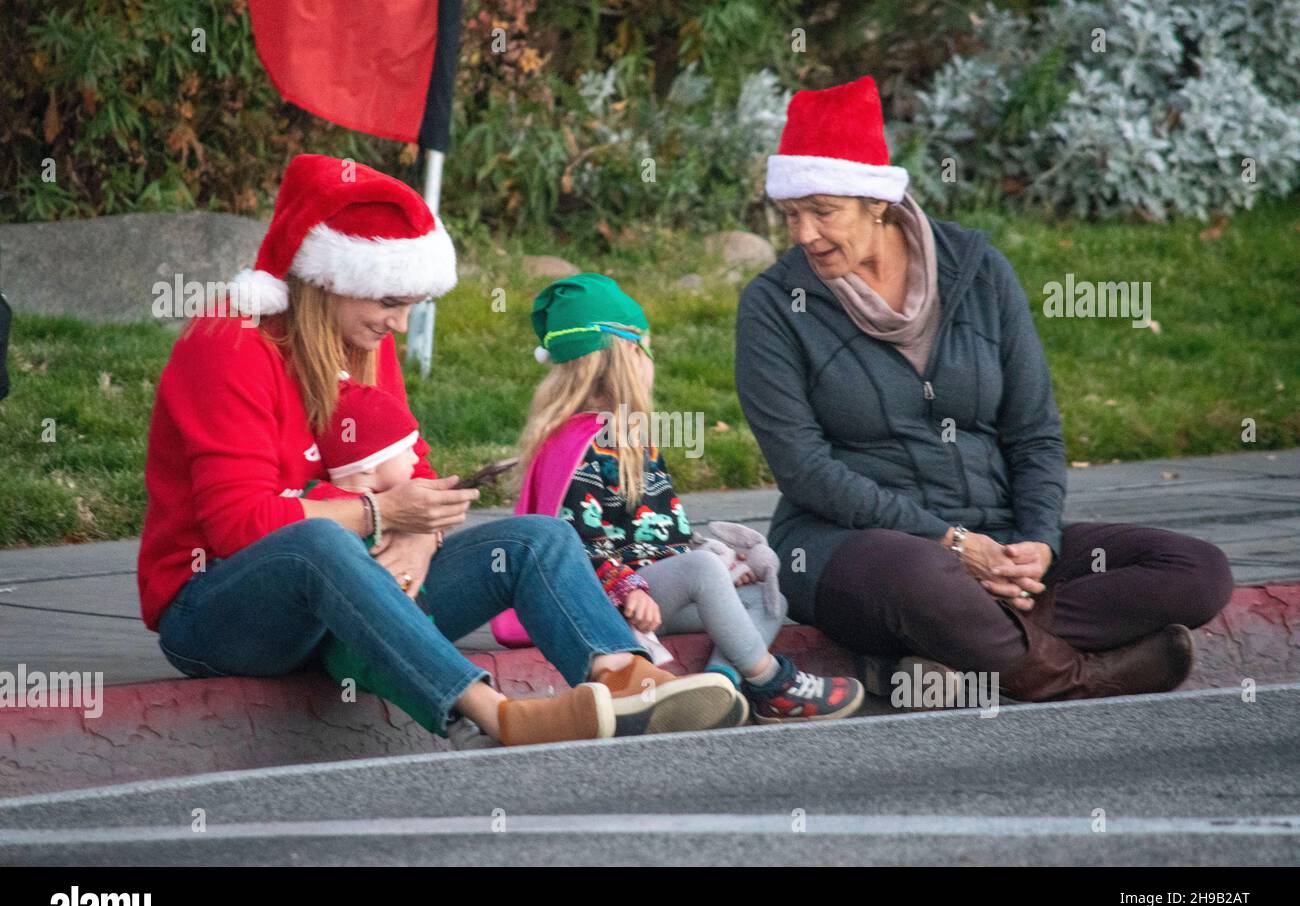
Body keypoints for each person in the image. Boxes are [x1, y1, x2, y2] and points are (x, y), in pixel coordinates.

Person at [137, 154, 740, 748]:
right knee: (318, 543)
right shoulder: (228, 345)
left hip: (352, 599)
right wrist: (384, 517)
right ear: (329, 282)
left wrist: (418, 539)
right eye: (389, 303)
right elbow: (240, 528)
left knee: (537, 537)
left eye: (408, 306)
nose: (399, 325)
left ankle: (626, 678)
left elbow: (414, 472)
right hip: (218, 615)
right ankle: (495, 715)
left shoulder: (363, 341)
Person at [733, 77, 1234, 701]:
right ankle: (1077, 676)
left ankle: (951, 655)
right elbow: (805, 470)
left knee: (1198, 571)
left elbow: (1034, 431)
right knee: (921, 578)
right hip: (851, 551)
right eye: (791, 214)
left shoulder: (978, 270)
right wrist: (951, 543)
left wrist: (1039, 546)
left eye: (823, 212)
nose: (803, 234)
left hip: (996, 530)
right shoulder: (775, 305)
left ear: (878, 202)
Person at [496, 273, 865, 721]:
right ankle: (775, 683)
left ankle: (720, 689)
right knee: (703, 570)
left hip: (649, 597)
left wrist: (728, 568)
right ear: (628, 355)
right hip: (598, 602)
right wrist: (628, 587)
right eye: (645, 348)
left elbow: (663, 534)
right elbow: (571, 543)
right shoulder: (581, 445)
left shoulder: (631, 437)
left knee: (769, 599)